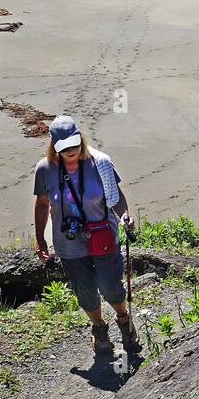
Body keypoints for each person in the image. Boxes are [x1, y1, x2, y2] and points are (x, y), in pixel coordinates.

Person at [32, 115, 138, 355]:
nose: (70, 151)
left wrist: (124, 216)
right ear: (54, 146)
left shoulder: (100, 163)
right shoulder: (45, 170)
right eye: (64, 147)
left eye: (74, 144)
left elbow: (116, 196)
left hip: (103, 237)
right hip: (69, 245)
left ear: (81, 139)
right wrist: (40, 239)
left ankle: (123, 318)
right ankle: (98, 327)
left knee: (110, 286)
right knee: (85, 291)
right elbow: (42, 204)